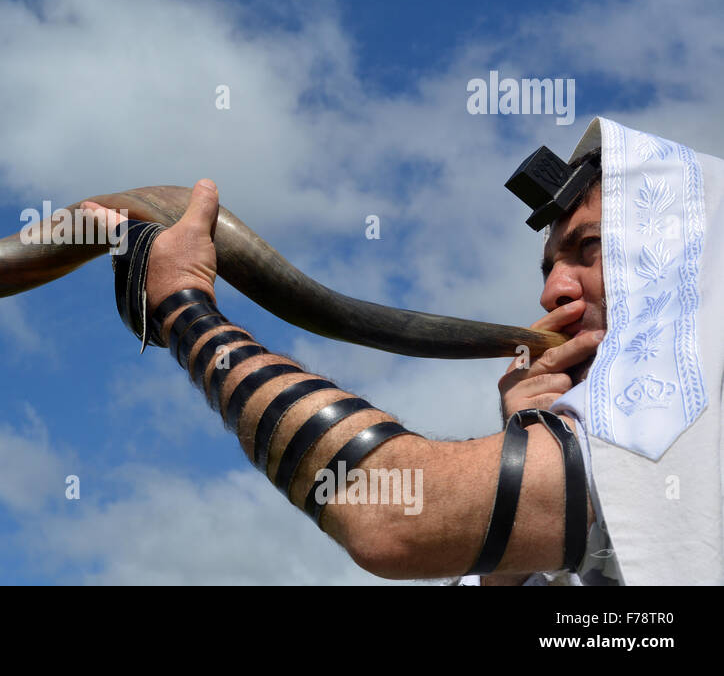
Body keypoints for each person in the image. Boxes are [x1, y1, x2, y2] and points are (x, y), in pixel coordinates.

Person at [81, 117, 724, 585]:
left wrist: (182, 307)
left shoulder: (697, 403)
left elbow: (387, 511)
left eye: (591, 250)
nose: (555, 289)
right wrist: (527, 448)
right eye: (549, 265)